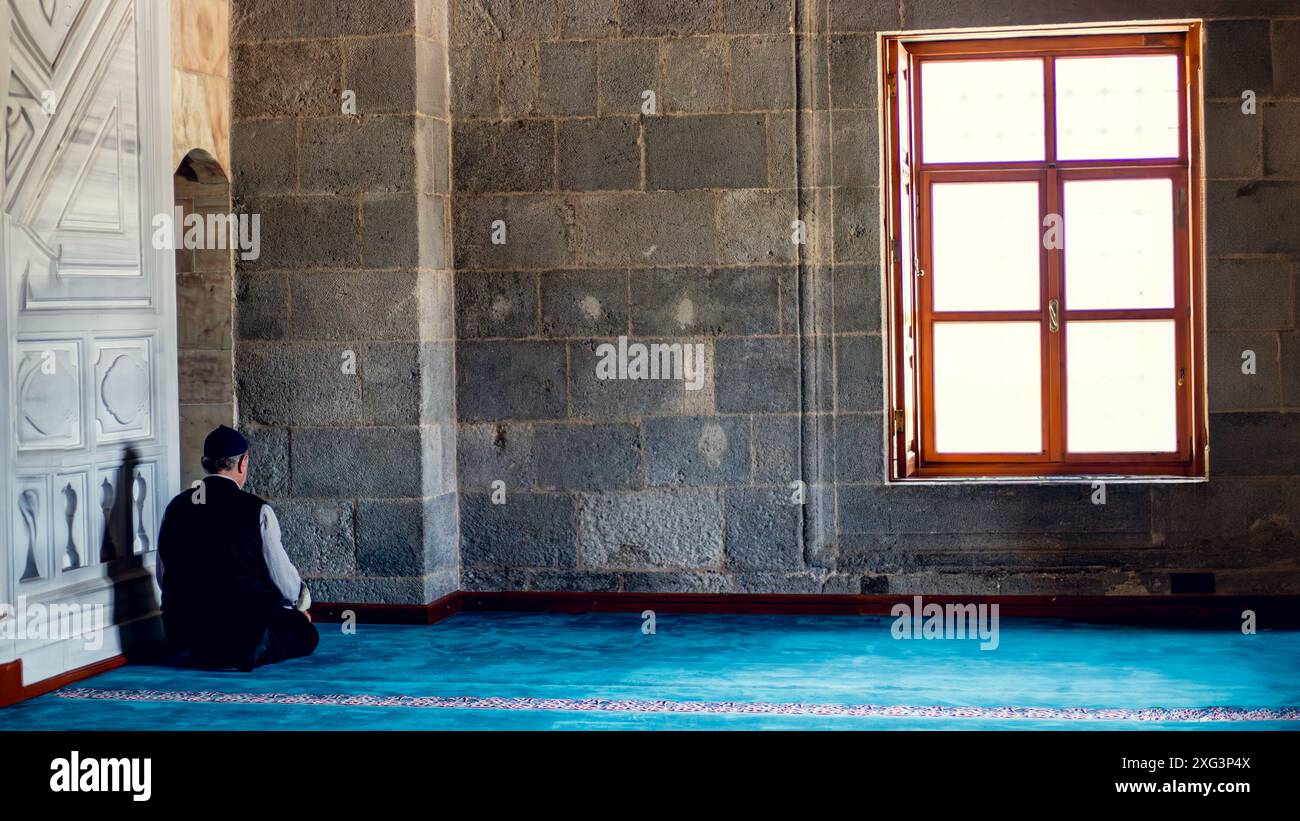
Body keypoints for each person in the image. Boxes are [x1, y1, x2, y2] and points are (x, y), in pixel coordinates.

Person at [157, 425, 318, 671]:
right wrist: (298, 606)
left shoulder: (177, 507)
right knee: (306, 634)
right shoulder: (257, 510)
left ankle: (214, 648)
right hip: (243, 627)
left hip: (186, 631)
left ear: (204, 463)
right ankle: (253, 647)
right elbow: (282, 578)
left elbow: (162, 574)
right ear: (243, 463)